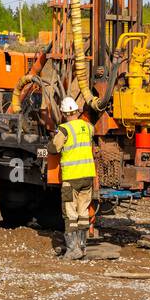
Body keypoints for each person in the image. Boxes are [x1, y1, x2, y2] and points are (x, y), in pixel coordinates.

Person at [50, 95, 96, 260]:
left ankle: (72, 249)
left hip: (72, 177)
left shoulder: (64, 129)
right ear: (77, 111)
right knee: (83, 212)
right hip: (87, 176)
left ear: (63, 113)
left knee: (70, 213)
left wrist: (50, 141)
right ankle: (82, 248)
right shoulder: (89, 127)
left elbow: (54, 148)